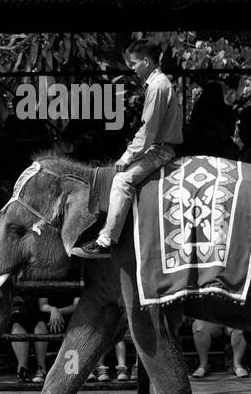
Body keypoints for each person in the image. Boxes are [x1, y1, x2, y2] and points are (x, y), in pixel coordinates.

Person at [78, 41, 183, 257]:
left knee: (121, 180)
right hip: (157, 147)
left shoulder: (157, 86)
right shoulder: (158, 84)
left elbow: (148, 130)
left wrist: (127, 156)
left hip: (159, 150)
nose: (132, 68)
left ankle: (105, 241)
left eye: (134, 63)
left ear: (146, 62)